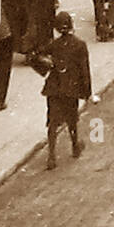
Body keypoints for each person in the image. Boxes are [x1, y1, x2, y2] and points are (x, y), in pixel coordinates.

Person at [32, 12, 92, 170]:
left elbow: (36, 55)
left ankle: (51, 156)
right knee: (72, 119)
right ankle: (75, 146)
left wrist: (47, 66)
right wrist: (87, 92)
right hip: (71, 88)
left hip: (54, 88)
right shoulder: (80, 45)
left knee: (52, 122)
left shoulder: (54, 45)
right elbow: (85, 70)